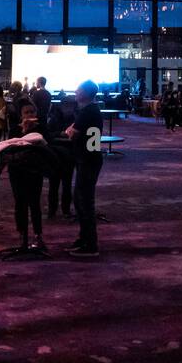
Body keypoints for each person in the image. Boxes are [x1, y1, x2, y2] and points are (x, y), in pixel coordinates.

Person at [3, 134, 63, 257]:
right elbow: (6, 148)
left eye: (32, 112)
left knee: (34, 203)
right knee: (20, 203)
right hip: (17, 171)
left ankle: (38, 236)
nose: (30, 114)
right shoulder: (15, 129)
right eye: (27, 112)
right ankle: (22, 238)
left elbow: (47, 147)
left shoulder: (40, 131)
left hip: (34, 171)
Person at [64, 80, 104, 258]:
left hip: (88, 159)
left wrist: (71, 131)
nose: (75, 90)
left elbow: (71, 132)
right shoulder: (91, 110)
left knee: (84, 201)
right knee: (81, 199)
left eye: (78, 89)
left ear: (86, 93)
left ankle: (90, 244)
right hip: (89, 158)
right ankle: (84, 238)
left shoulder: (87, 111)